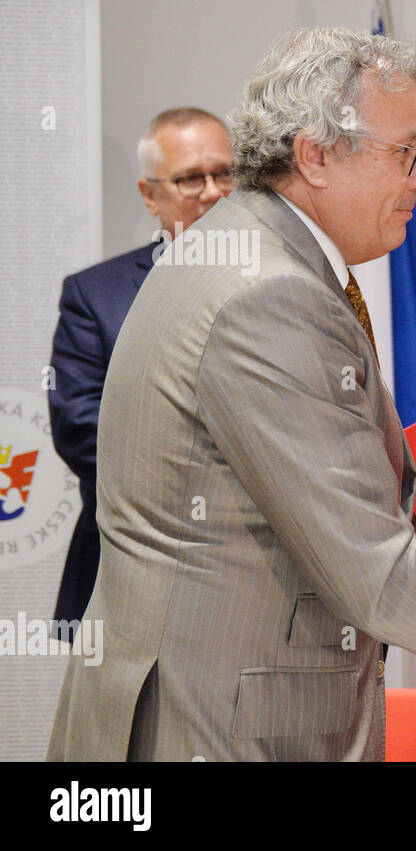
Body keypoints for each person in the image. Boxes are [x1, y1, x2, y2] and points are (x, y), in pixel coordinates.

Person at [47, 27, 416, 762]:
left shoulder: (245, 250)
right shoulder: (269, 293)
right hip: (216, 726)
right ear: (316, 154)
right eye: (408, 151)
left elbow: (328, 492)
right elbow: (375, 570)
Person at [48, 107, 233, 628]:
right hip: (129, 572)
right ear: (150, 194)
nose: (215, 191)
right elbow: (80, 426)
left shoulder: (290, 282)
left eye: (226, 173)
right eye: (192, 178)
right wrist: (217, 485)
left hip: (257, 584)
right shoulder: (96, 295)